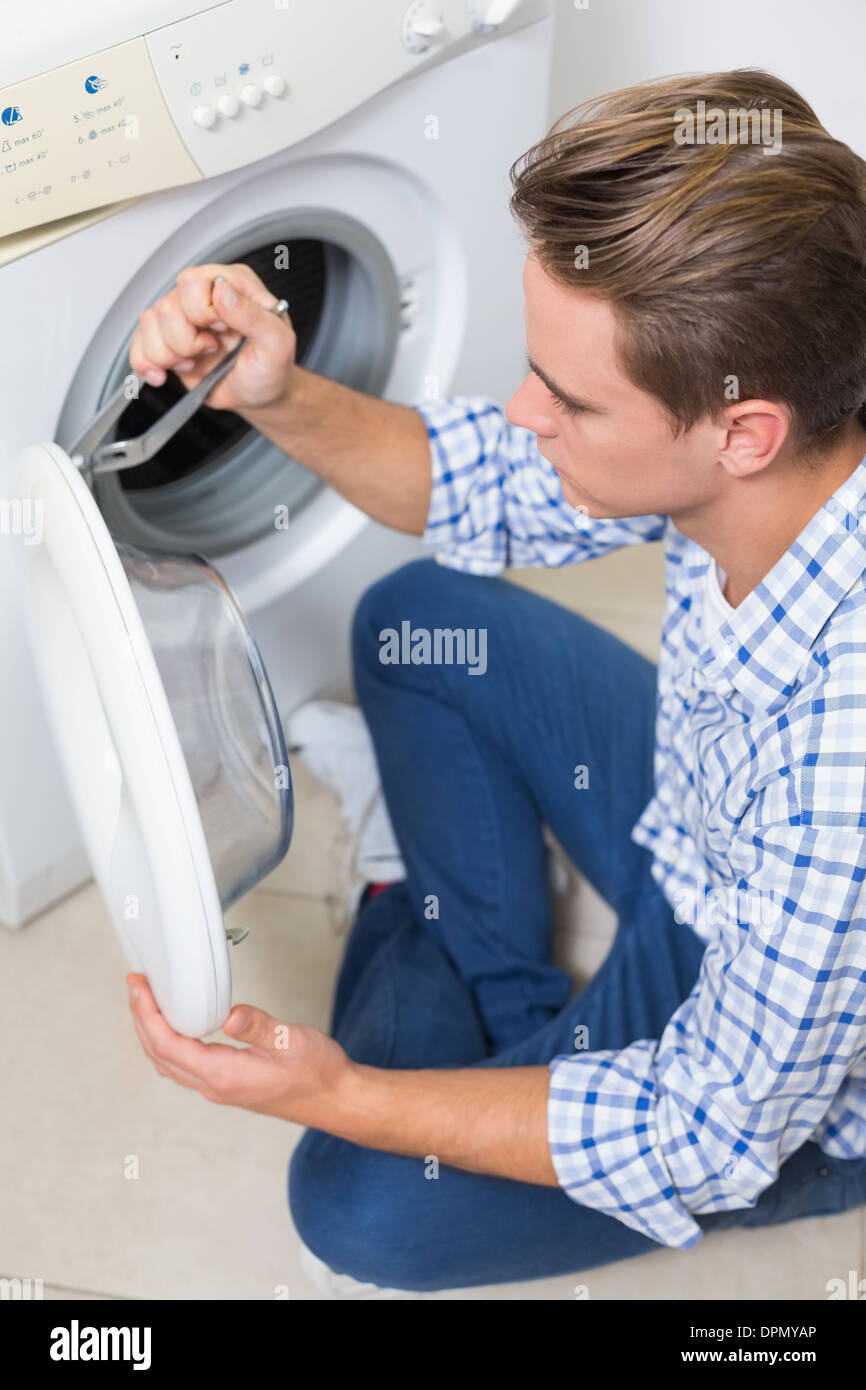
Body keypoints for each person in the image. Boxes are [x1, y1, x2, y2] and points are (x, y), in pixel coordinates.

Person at [125, 68, 866, 1295]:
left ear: (742, 433)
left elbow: (707, 1129)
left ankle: (417, 927)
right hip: (695, 816)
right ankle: (512, 1004)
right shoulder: (783, 419)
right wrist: (274, 391)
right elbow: (490, 484)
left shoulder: (841, 778)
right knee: (418, 619)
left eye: (568, 398)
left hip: (781, 1077)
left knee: (359, 1204)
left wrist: (349, 1092)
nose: (521, 410)